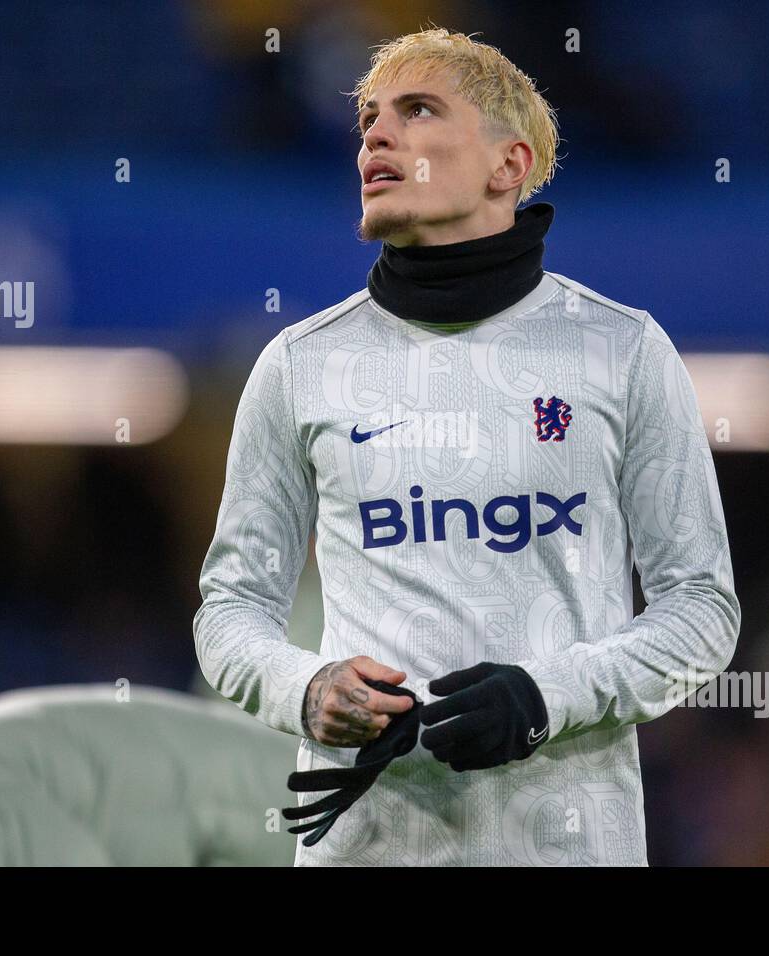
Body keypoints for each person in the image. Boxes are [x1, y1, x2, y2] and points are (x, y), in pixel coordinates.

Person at [194, 28, 740, 865]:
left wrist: (544, 697)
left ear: (507, 165)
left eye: (417, 111)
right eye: (371, 118)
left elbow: (702, 610)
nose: (376, 135)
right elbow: (231, 610)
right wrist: (304, 689)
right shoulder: (300, 366)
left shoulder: (622, 352)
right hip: (369, 845)